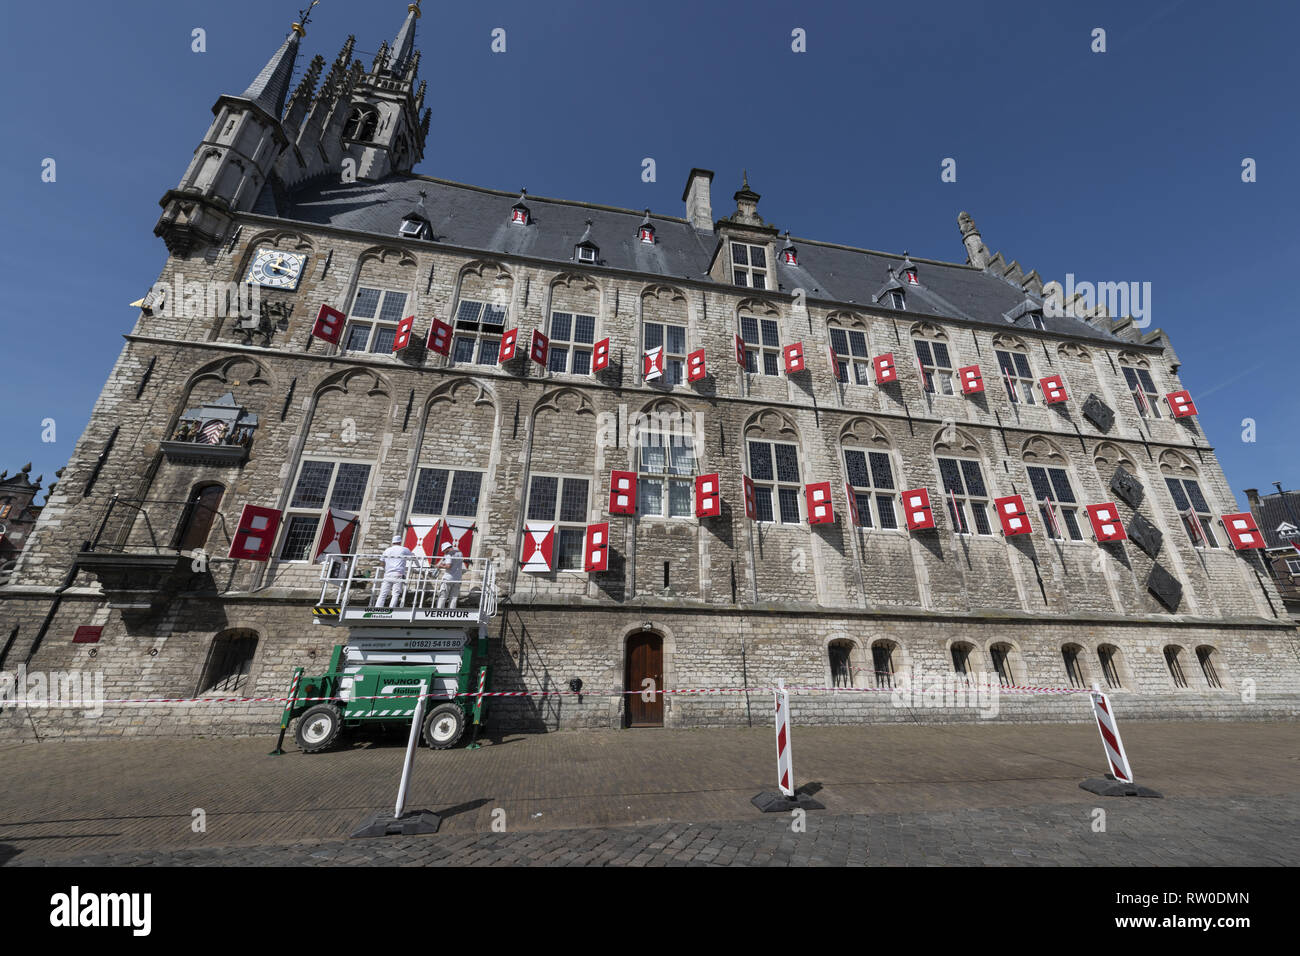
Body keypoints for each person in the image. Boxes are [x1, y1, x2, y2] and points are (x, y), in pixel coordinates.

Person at [376, 535, 414, 608]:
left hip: (387, 574)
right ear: (400, 542)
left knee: (383, 593)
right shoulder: (404, 549)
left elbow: (382, 563)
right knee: (395, 594)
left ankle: (378, 607)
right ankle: (392, 608)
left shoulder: (387, 550)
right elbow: (412, 557)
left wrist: (386, 569)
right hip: (398, 574)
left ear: (393, 542)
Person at [435, 540, 464, 609]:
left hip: (448, 578)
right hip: (458, 578)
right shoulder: (460, 553)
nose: (444, 552)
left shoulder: (449, 554)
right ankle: (451, 611)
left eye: (444, 551)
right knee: (453, 598)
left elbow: (448, 566)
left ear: (446, 549)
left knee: (443, 596)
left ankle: (439, 610)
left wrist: (440, 566)